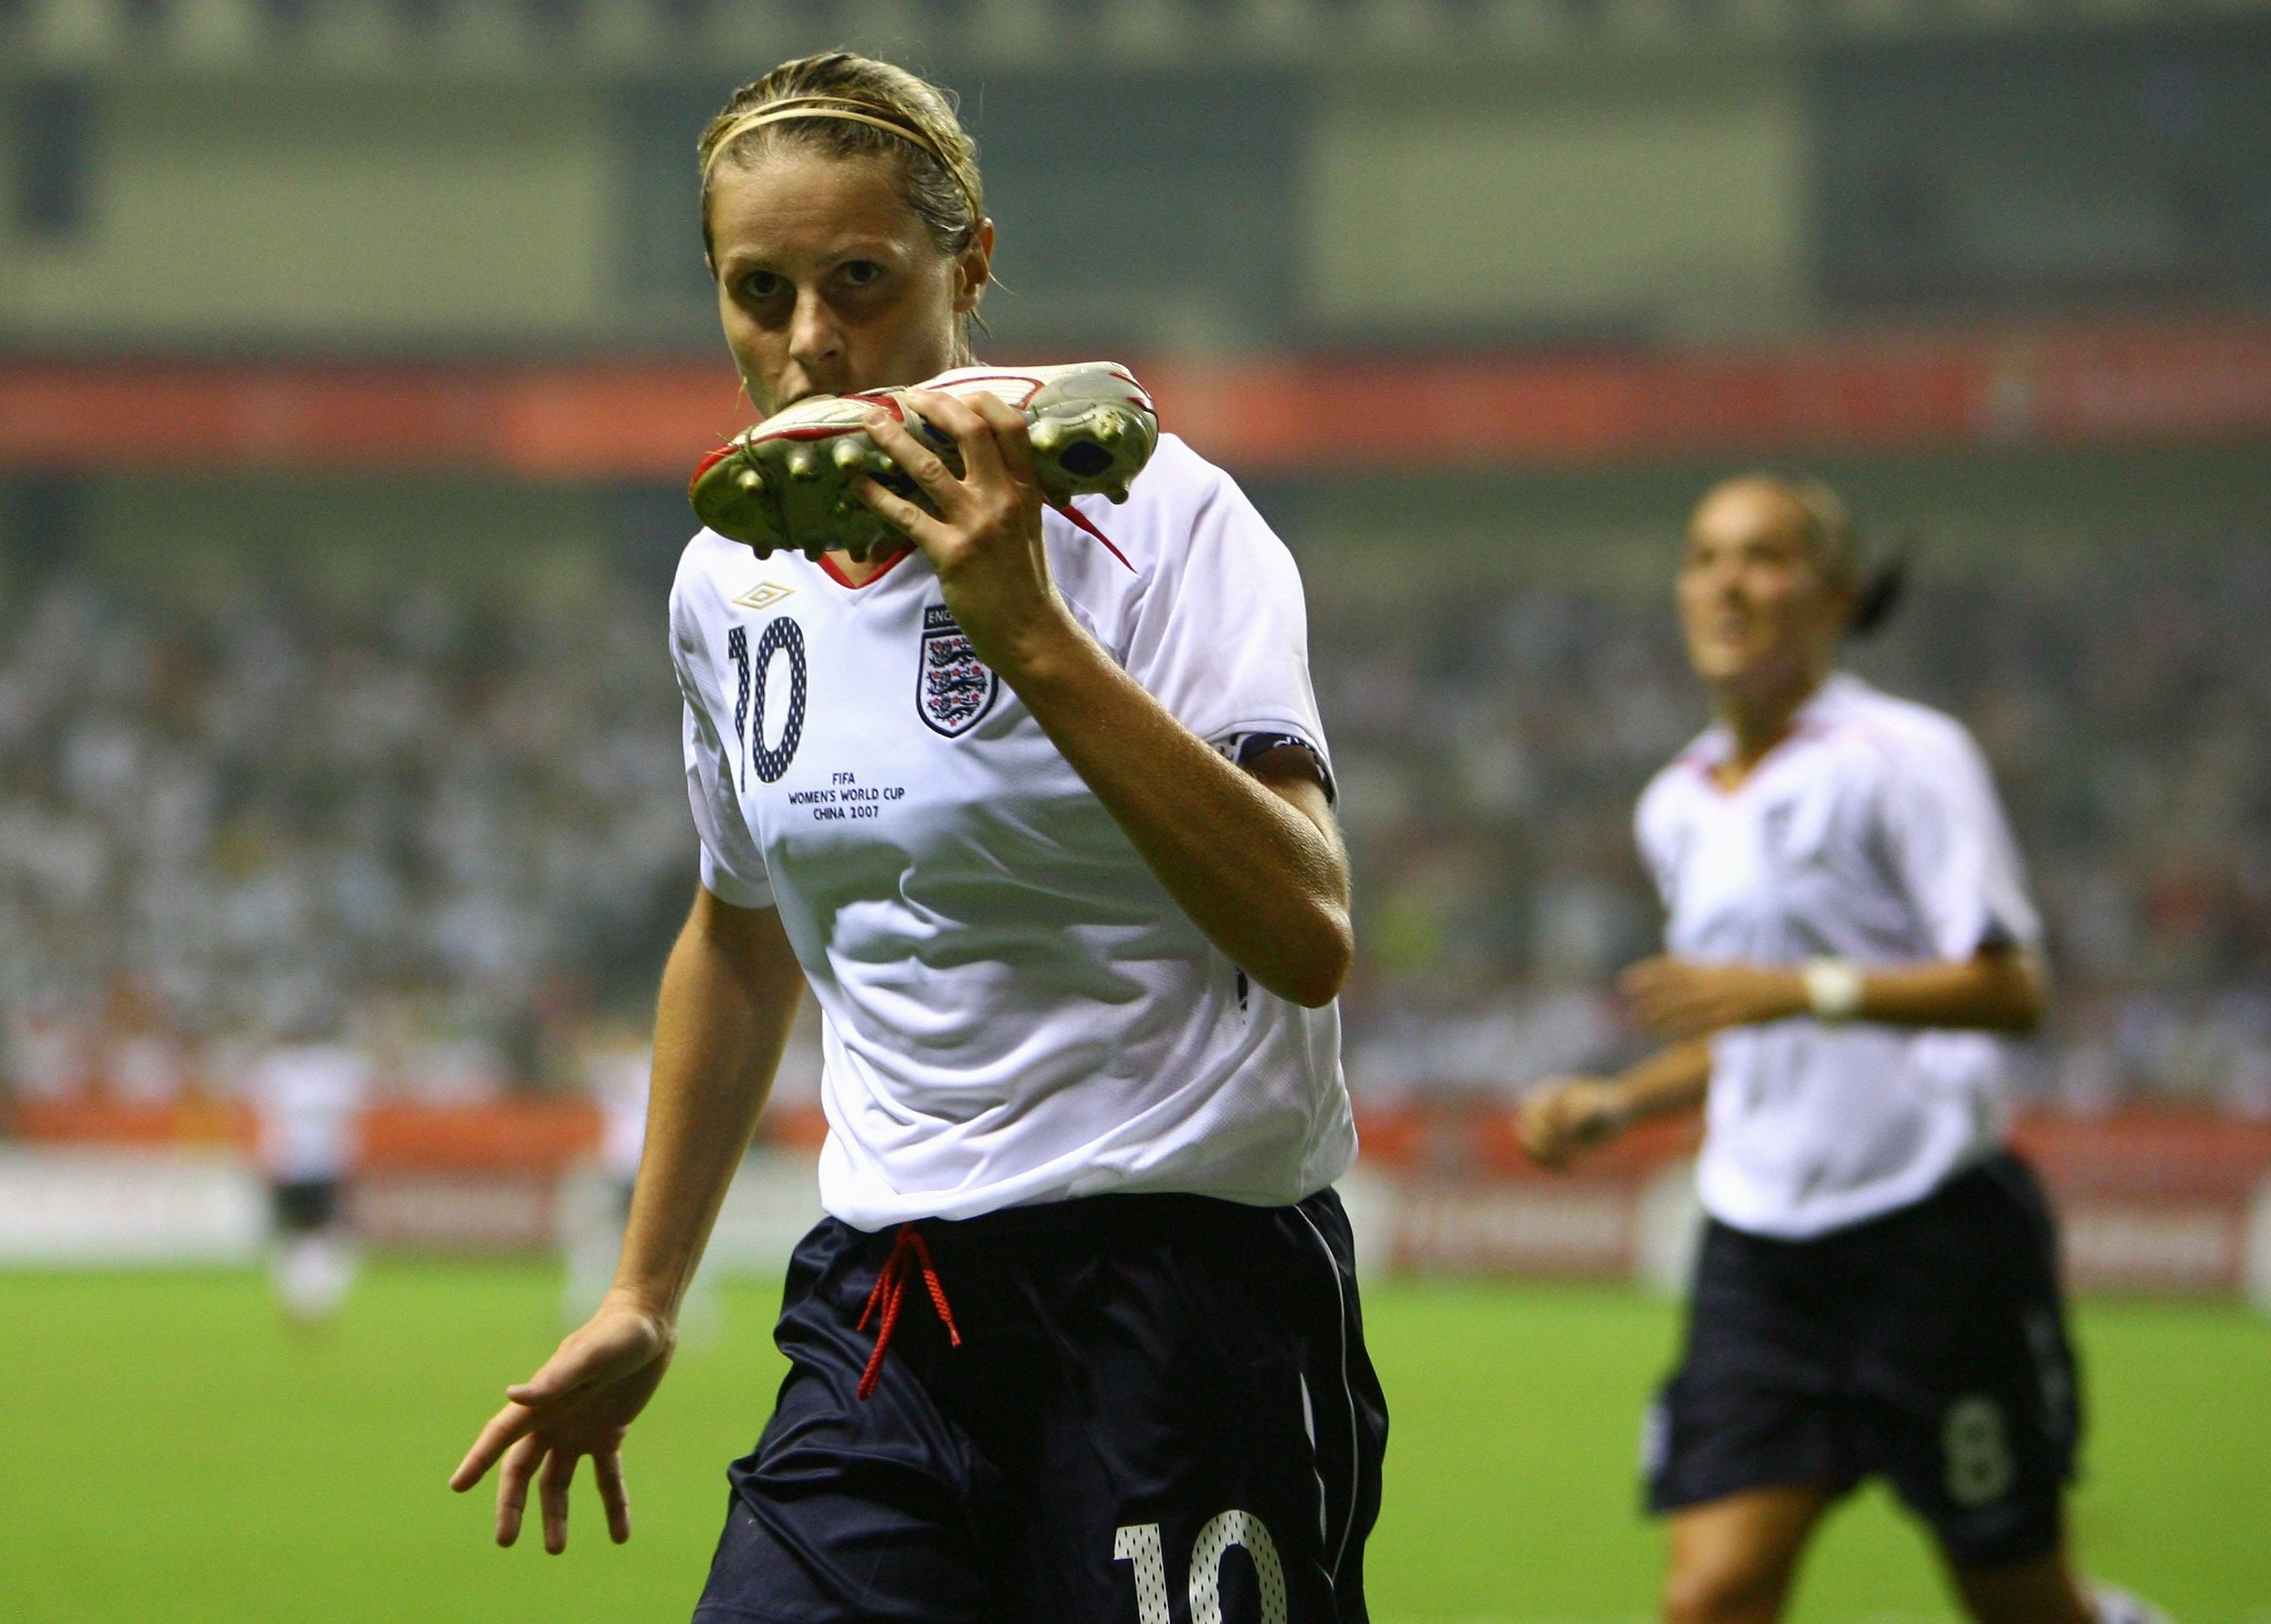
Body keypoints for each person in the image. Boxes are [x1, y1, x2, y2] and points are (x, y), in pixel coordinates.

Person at [451, 51, 1387, 1623]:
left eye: (860, 281)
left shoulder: (1165, 520)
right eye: (759, 291)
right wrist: (643, 1293)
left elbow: (1305, 930)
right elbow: (739, 936)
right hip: (889, 1305)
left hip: (1183, 1298)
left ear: (973, 264)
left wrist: (1028, 632)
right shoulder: (722, 585)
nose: (810, 341)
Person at [1517, 476, 2166, 1624]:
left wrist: (1801, 987)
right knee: (1710, 1595)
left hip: (1933, 1242)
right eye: (1705, 556)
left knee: (2020, 1602)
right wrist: (1622, 1103)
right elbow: (1754, 1040)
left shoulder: (1903, 755)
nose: (1727, 581)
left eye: (1764, 557)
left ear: (1837, 598)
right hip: (1762, 1261)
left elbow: (2012, 986)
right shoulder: (1675, 803)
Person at [248, 1001, 372, 1326]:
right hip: (317, 1164)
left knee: (298, 1235)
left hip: (295, 1164)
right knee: (324, 1235)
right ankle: (314, 1299)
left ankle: (302, 1298)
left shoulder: (277, 1068)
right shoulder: (338, 1069)